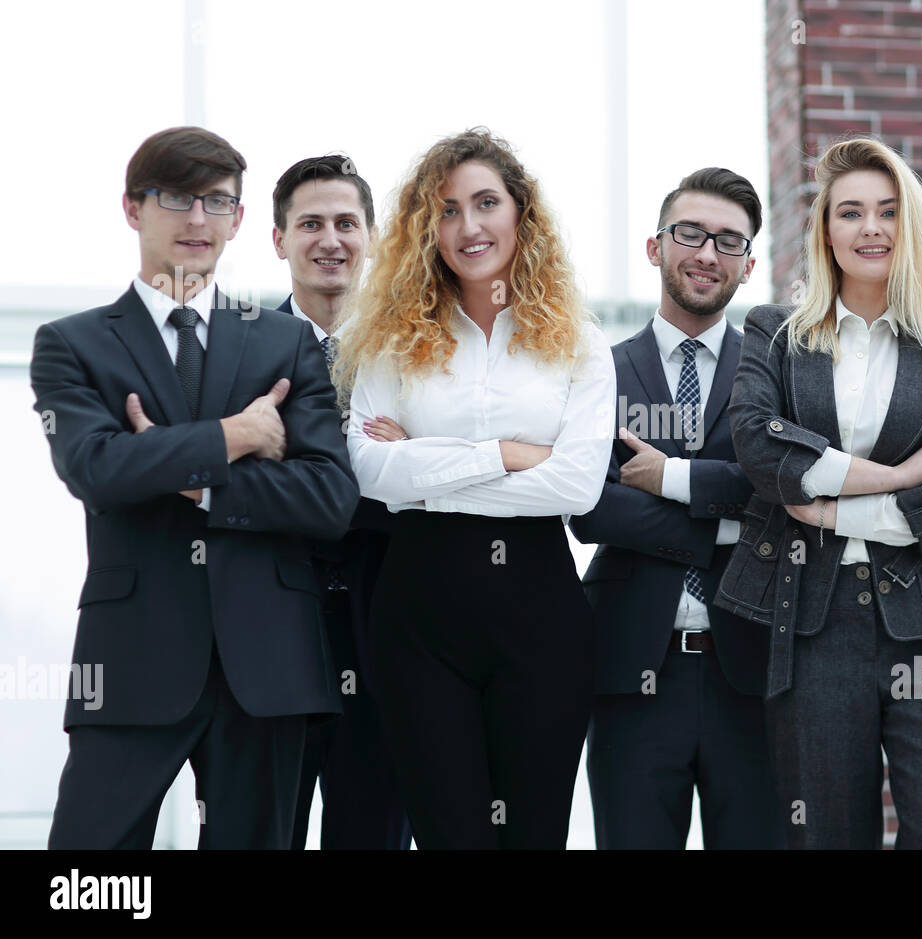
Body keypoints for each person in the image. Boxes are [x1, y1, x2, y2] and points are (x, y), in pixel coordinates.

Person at [32, 126, 358, 849]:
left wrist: (185, 475)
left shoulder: (284, 343)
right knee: (88, 880)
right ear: (131, 208)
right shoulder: (72, 343)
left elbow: (330, 498)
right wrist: (236, 438)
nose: (197, 220)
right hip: (130, 658)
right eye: (175, 197)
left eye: (217, 202)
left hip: (269, 663)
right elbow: (95, 468)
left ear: (241, 220)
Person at [335, 128, 616, 849]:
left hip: (543, 620)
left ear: (521, 213)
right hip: (419, 620)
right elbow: (370, 471)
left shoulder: (578, 342)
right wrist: (513, 454)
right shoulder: (393, 338)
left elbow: (578, 485)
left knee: (532, 837)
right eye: (448, 209)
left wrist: (427, 469)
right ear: (427, 228)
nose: (468, 226)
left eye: (485, 203)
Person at [717, 136, 922, 849]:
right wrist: (904, 474)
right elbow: (761, 448)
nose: (870, 227)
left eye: (887, 211)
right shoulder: (774, 334)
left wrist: (835, 507)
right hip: (812, 619)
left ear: (909, 228)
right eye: (850, 213)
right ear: (825, 231)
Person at [569, 168, 783, 849]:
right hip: (632, 665)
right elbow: (590, 506)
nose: (707, 253)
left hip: (749, 668)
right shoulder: (598, 369)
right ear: (655, 246)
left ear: (749, 265)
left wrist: (672, 479)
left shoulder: (776, 371)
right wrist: (730, 520)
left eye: (728, 241)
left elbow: (781, 491)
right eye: (690, 233)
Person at [270, 154, 411, 850]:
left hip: (389, 629)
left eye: (346, 222)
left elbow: (432, 484)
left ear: (373, 237)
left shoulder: (417, 353)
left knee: (374, 831)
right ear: (279, 240)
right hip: (269, 630)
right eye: (311, 223)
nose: (331, 239)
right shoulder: (239, 353)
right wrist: (391, 461)